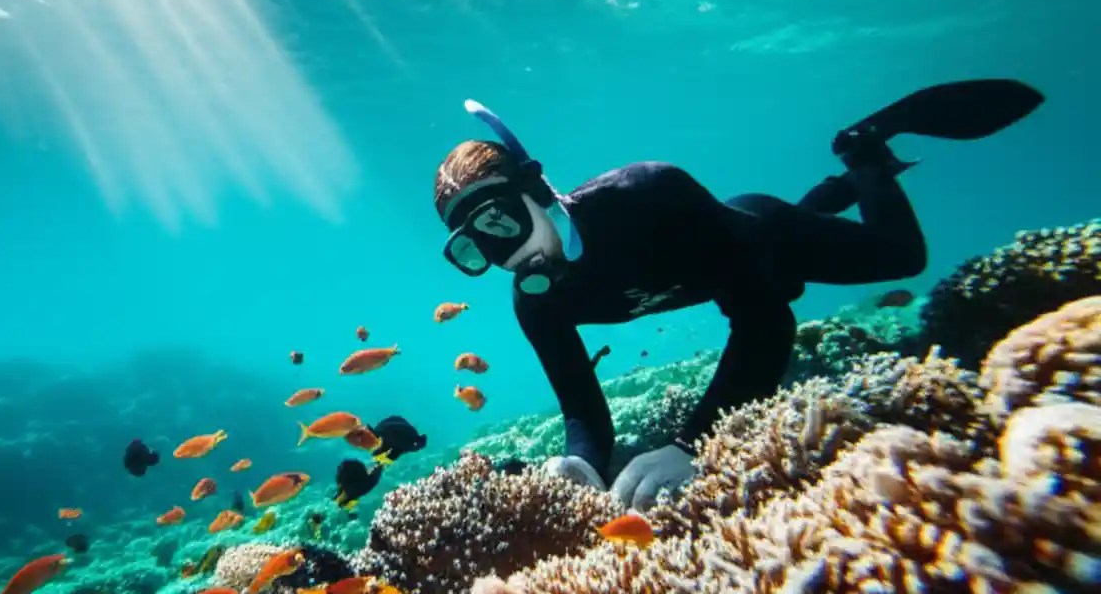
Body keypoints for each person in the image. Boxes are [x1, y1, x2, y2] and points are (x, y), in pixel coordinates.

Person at [432, 81, 1043, 510]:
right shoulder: (535, 301)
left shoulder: (646, 194)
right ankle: (824, 199)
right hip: (725, 265)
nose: (505, 254)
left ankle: (865, 150)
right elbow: (582, 411)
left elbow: (764, 317)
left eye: (500, 223)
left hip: (764, 242)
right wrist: (580, 464)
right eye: (475, 249)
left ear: (535, 188)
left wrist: (690, 444)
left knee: (903, 258)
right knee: (762, 275)